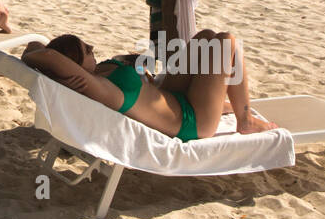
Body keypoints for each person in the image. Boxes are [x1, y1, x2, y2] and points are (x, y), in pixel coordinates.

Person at [23, 30, 278, 142]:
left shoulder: (97, 74)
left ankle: (225, 104)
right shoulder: (97, 86)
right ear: (75, 67)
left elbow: (37, 48)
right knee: (227, 43)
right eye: (85, 50)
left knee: (206, 38)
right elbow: (42, 55)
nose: (92, 48)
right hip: (192, 121)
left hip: (168, 94)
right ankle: (246, 121)